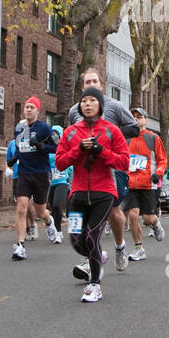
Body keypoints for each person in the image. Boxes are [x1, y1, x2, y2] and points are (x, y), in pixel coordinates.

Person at [56, 86, 130, 302]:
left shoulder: (111, 131)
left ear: (100, 105)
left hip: (103, 193)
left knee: (91, 235)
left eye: (92, 100)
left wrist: (101, 151)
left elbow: (124, 162)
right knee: (77, 240)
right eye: (84, 101)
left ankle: (94, 285)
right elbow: (60, 163)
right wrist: (78, 149)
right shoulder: (70, 132)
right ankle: (98, 255)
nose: (87, 104)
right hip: (78, 194)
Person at [66, 67, 140, 274]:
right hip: (83, 170)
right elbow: (70, 138)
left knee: (114, 212)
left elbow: (134, 128)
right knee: (83, 219)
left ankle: (119, 246)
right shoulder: (75, 112)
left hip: (111, 165)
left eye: (94, 82)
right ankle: (93, 256)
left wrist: (107, 135)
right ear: (82, 87)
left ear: (101, 85)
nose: (91, 86)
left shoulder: (115, 107)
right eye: (87, 83)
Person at [9, 97, 60, 260]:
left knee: (39, 211)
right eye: (26, 107)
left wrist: (41, 146)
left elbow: (57, 147)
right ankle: (20, 245)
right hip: (24, 173)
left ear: (38, 111)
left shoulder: (44, 128)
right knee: (21, 208)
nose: (28, 109)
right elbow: (19, 147)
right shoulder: (19, 128)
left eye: (32, 107)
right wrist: (13, 158)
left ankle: (49, 220)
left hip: (41, 173)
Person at [122, 108, 168, 261]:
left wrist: (158, 174)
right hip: (131, 184)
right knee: (133, 216)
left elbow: (162, 160)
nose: (136, 119)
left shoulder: (153, 138)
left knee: (148, 218)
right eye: (133, 117)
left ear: (146, 120)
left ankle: (155, 224)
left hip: (148, 184)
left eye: (139, 117)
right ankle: (139, 248)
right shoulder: (126, 139)